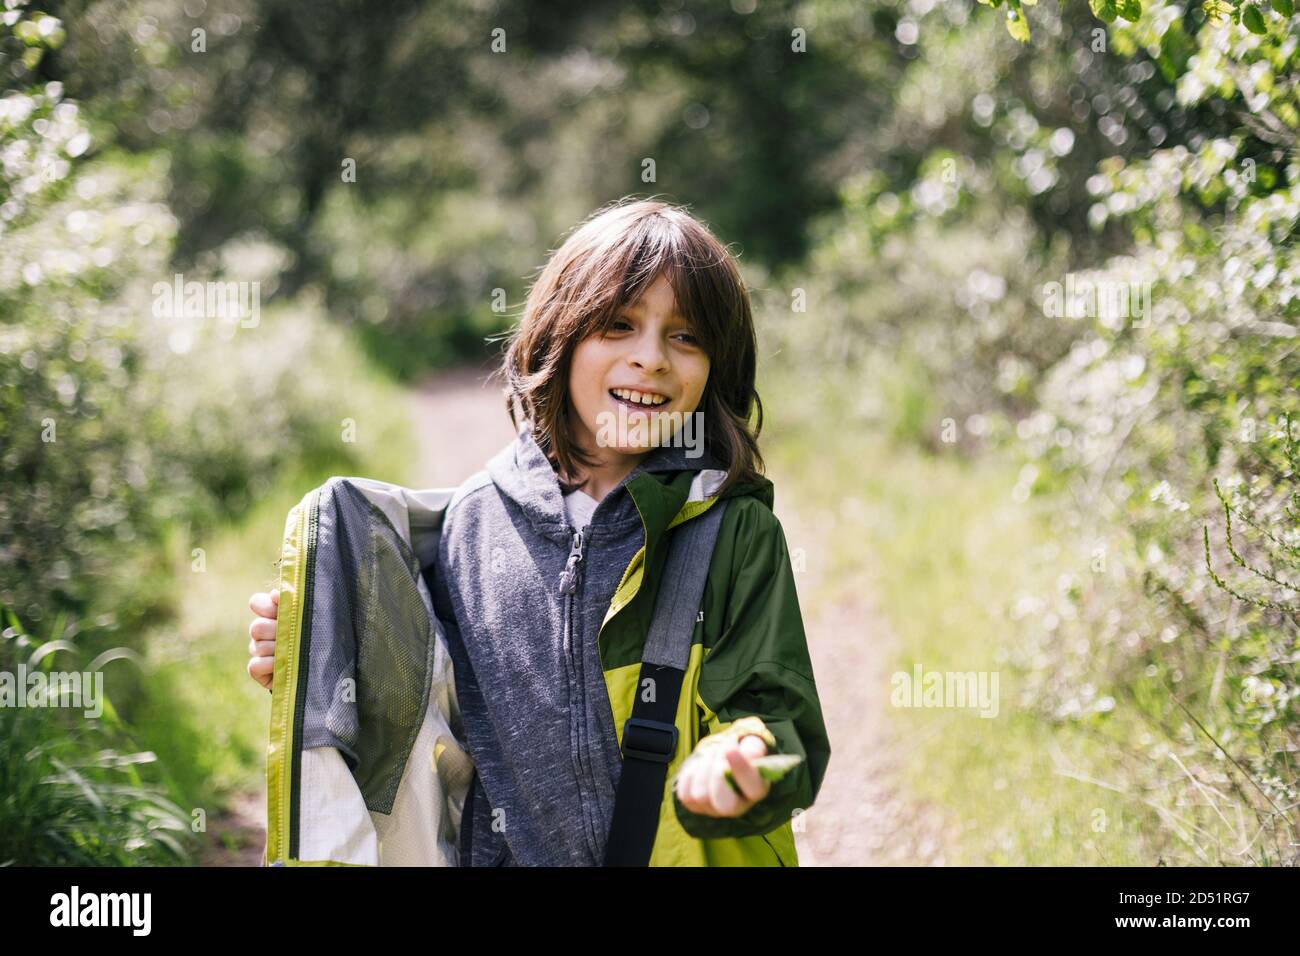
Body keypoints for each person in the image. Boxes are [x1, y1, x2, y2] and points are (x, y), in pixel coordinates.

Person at [247, 197, 831, 866]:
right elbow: (419, 722)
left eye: (686, 336)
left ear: (715, 368)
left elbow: (781, 721)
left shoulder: (733, 532)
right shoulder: (469, 525)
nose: (652, 358)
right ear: (562, 335)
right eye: (618, 325)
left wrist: (749, 761)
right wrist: (313, 657)